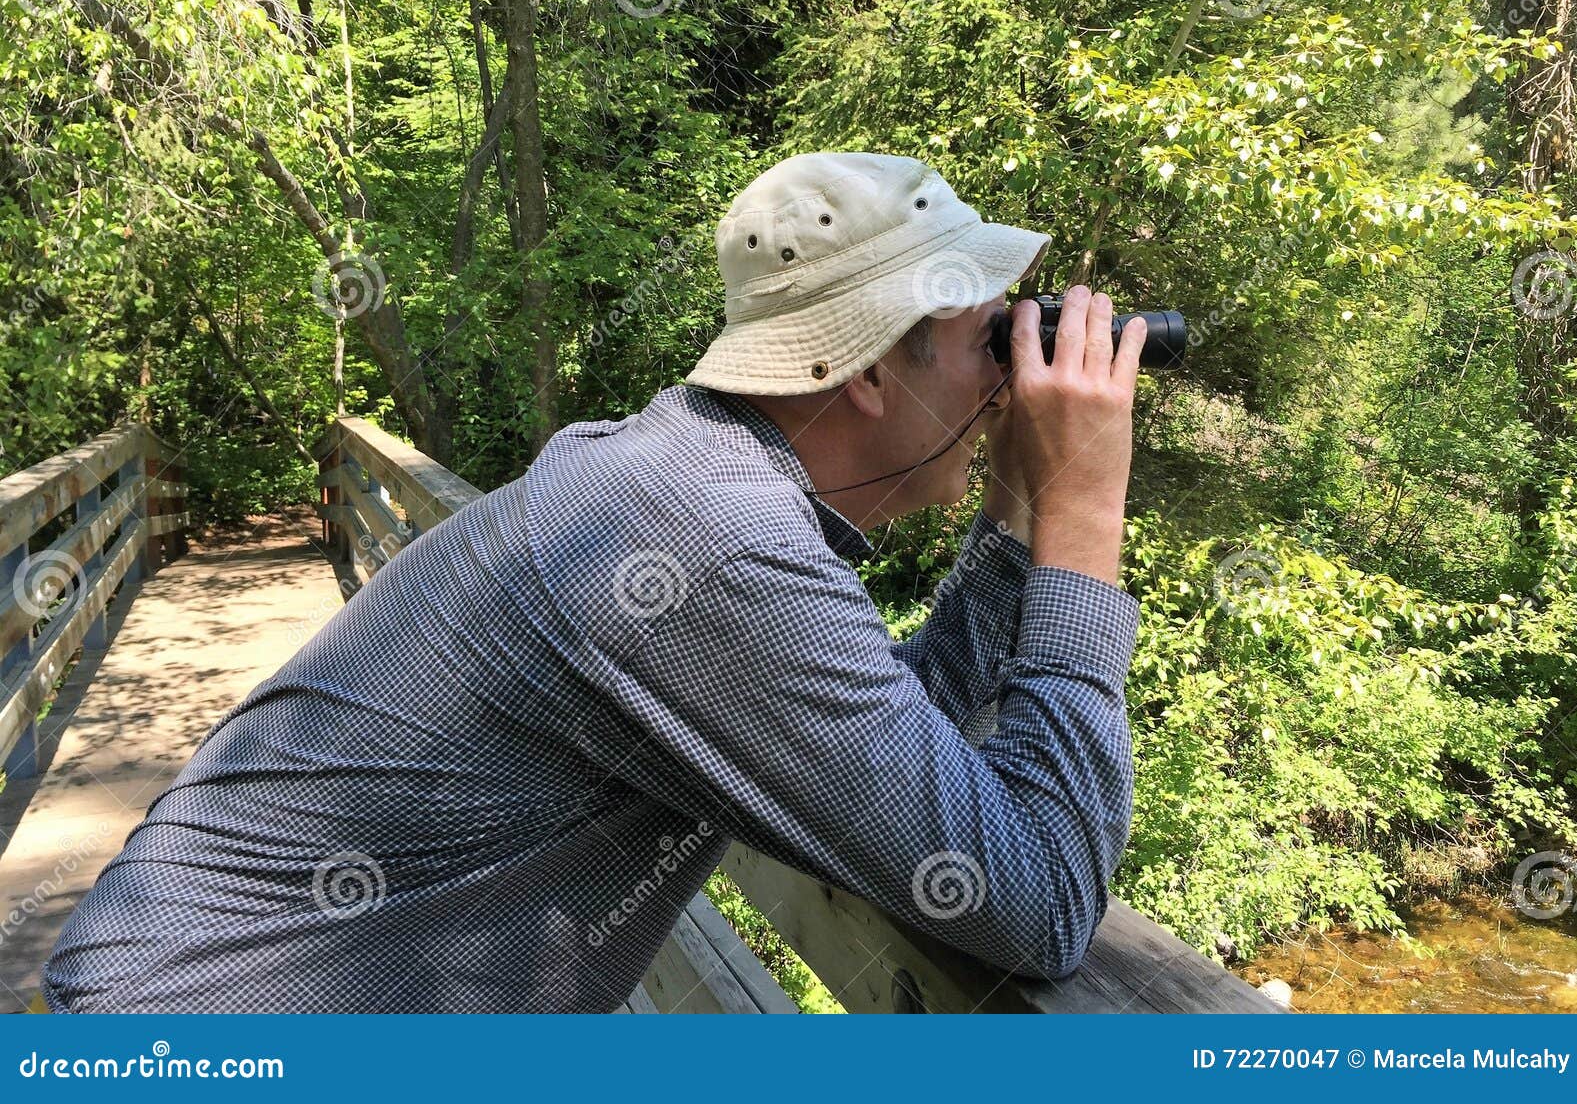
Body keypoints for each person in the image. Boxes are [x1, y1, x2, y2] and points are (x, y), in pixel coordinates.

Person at [42, 151, 1147, 1013]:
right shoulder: (710, 541)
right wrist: (1085, 514)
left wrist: (1015, 515)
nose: (1011, 382)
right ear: (864, 370)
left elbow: (893, 770)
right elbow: (1040, 901)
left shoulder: (670, 479)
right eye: (991, 340)